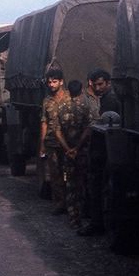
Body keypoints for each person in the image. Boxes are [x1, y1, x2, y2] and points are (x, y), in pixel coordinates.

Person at [80, 68, 121, 235]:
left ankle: (97, 224)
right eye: (95, 85)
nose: (98, 88)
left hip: (107, 150)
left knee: (96, 185)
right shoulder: (108, 97)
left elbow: (108, 127)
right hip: (110, 149)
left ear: (108, 83)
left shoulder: (110, 99)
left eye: (101, 84)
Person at [60, 80, 94, 230]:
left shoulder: (61, 107)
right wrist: (77, 148)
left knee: (70, 185)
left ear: (68, 90)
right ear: (81, 91)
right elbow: (89, 129)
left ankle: (73, 218)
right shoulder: (87, 107)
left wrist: (68, 149)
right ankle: (84, 216)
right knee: (83, 183)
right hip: (82, 152)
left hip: (67, 153)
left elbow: (56, 131)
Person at [39, 66, 71, 214]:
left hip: (69, 143)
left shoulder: (70, 98)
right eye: (49, 82)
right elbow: (44, 122)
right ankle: (60, 204)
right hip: (52, 142)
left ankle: (74, 204)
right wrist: (42, 144)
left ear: (61, 82)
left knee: (72, 174)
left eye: (54, 81)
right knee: (55, 174)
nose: (51, 84)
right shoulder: (46, 101)